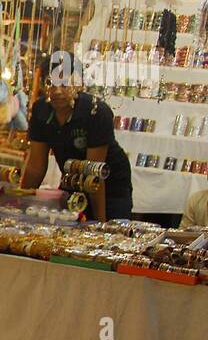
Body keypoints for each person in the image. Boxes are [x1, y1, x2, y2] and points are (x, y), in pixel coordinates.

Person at [21, 51, 133, 220]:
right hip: (72, 181)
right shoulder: (41, 111)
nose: (57, 91)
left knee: (106, 235)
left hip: (109, 185)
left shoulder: (96, 112)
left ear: (79, 84)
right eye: (51, 83)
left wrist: (99, 223)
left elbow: (94, 172)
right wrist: (21, 203)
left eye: (65, 83)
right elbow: (36, 166)